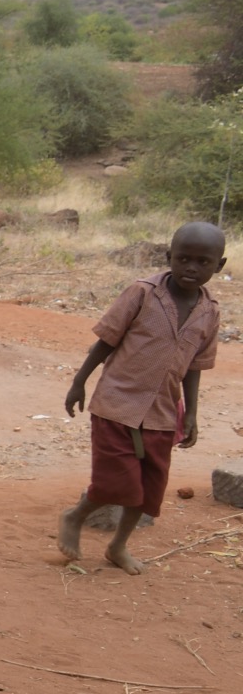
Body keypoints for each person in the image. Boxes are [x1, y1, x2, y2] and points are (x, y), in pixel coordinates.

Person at [59, 221, 224, 574]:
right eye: (183, 259)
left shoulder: (209, 312)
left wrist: (191, 413)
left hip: (163, 411)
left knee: (149, 491)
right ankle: (75, 516)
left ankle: (117, 546)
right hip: (117, 403)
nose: (192, 268)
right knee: (114, 483)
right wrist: (79, 381)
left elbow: (194, 366)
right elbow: (106, 340)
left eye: (203, 262)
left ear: (219, 266)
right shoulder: (142, 293)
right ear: (169, 258)